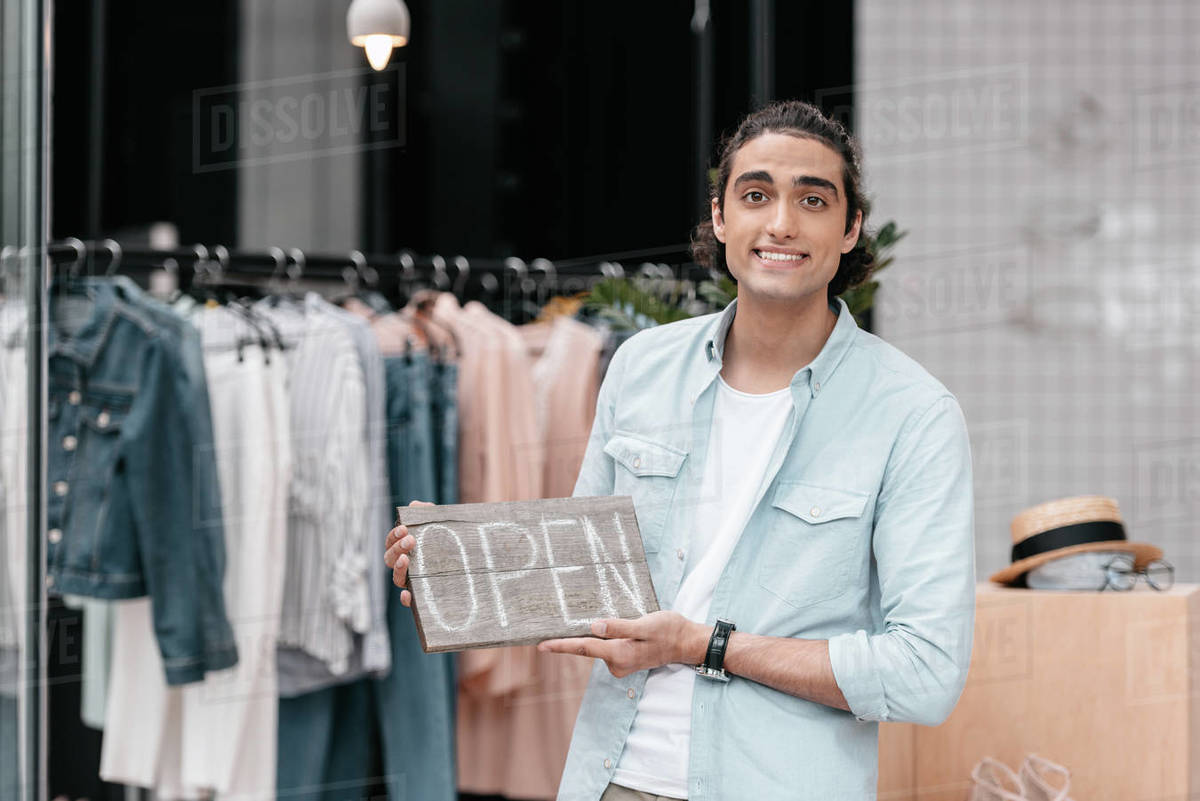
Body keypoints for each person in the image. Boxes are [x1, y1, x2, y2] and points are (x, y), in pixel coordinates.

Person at [385, 99, 976, 801]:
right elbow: (583, 578)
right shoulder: (641, 367)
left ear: (849, 229)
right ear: (722, 218)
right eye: (756, 194)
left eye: (812, 199)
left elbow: (926, 673)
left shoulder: (911, 414)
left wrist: (703, 644)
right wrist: (456, 568)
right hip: (612, 780)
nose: (781, 222)